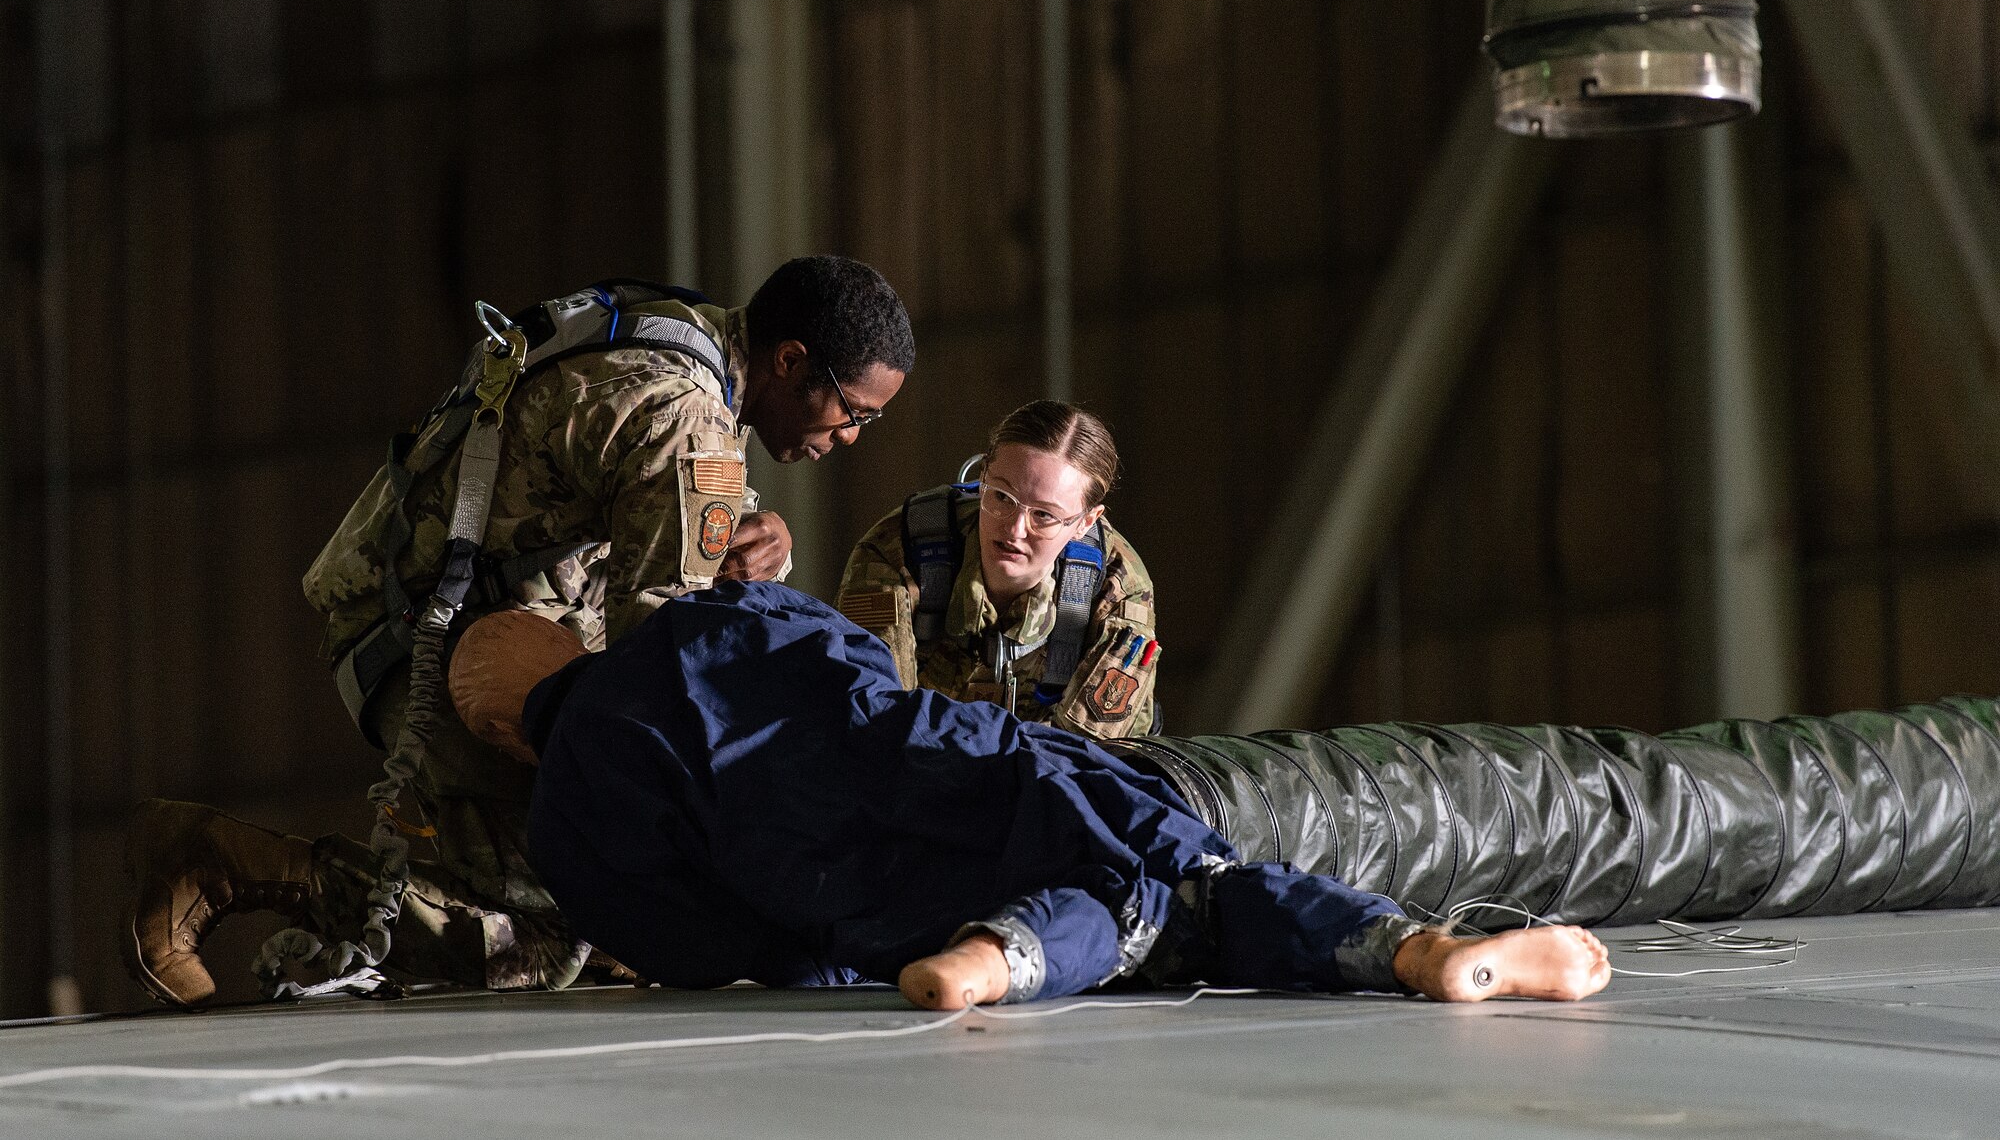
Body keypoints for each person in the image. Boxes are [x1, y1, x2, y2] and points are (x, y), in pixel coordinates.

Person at [123, 258, 915, 1008]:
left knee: (624, 901)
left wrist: (751, 530)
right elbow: (665, 663)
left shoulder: (683, 334)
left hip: (443, 609)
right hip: (436, 641)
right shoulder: (688, 416)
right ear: (789, 360)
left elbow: (596, 496)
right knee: (548, 933)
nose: (850, 437)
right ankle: (228, 864)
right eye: (856, 412)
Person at [517, 581, 1611, 1007]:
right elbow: (861, 677)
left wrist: (823, 942)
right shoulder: (712, 621)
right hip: (962, 769)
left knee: (1121, 911)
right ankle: (1407, 946)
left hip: (853, 900)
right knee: (1174, 879)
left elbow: (705, 948)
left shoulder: (563, 833)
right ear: (558, 639)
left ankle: (997, 955)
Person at [836, 401, 1160, 740]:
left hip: (1046, 777)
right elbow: (874, 724)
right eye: (1002, 497)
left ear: (1086, 522)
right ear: (983, 478)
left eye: (1044, 516)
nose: (1015, 530)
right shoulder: (901, 550)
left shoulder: (1116, 584)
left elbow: (1092, 757)